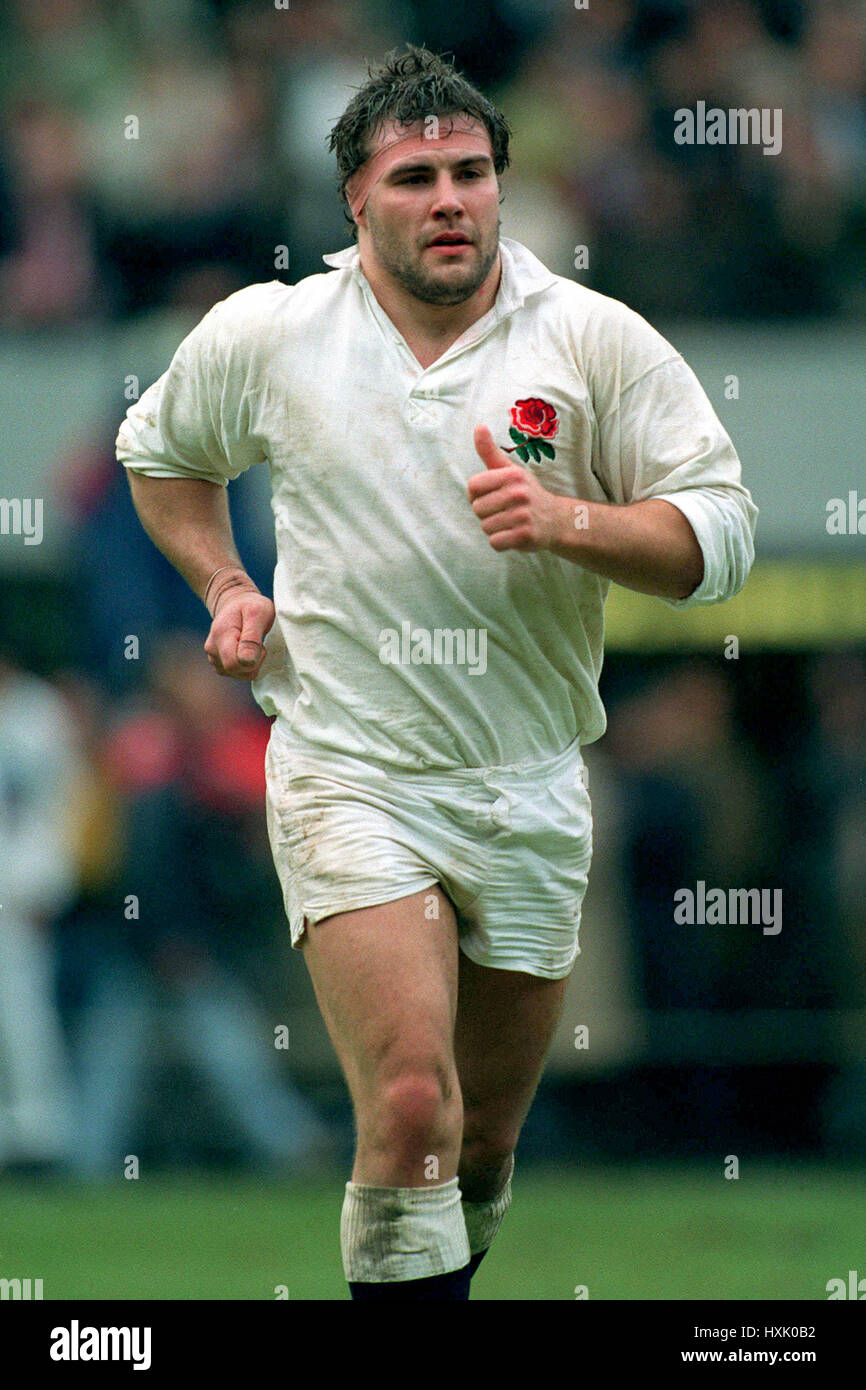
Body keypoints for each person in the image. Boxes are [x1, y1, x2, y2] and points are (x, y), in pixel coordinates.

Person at [116, 44, 757, 1300]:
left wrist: (565, 517)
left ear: (502, 189)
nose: (449, 198)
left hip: (526, 780)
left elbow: (719, 538)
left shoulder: (592, 339)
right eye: (414, 177)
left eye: (470, 172)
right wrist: (227, 585)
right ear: (355, 202)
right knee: (409, 1105)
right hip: (347, 768)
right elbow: (162, 455)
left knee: (476, 1143)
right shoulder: (272, 330)